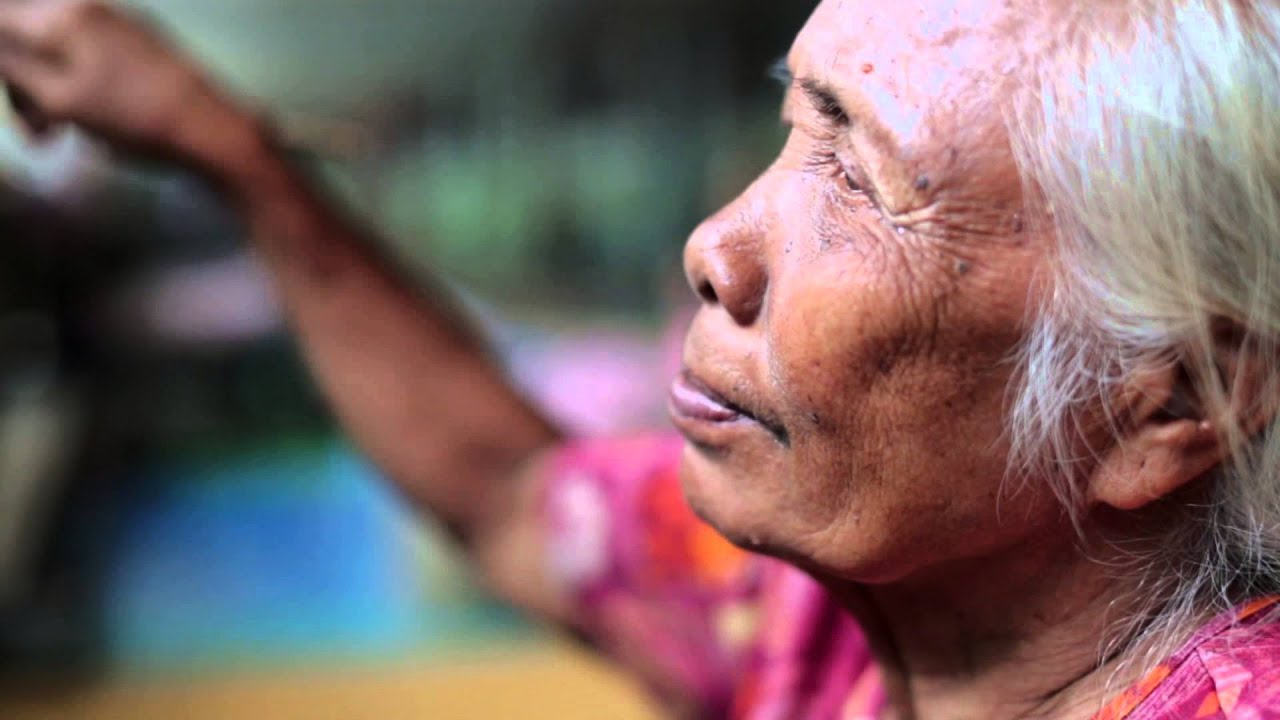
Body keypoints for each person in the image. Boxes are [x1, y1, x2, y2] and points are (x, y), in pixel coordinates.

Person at [2, 0, 1280, 717]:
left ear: (1161, 405)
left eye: (863, 179)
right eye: (797, 124)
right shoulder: (842, 629)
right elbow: (510, 491)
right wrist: (227, 151)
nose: (712, 245)